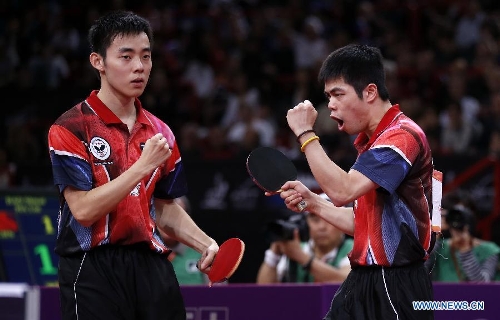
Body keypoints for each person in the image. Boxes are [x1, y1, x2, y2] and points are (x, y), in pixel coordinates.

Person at [47, 11, 218, 320]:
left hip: (150, 266)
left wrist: (203, 242)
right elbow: (83, 211)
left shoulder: (160, 131)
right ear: (97, 61)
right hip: (91, 267)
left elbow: (163, 207)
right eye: (126, 57)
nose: (139, 67)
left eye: (146, 57)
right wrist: (141, 167)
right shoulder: (70, 128)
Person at [275, 44, 436, 319]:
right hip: (362, 280)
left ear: (370, 92)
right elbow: (364, 224)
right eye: (328, 96)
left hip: (396, 285)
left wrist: (304, 133)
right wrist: (311, 202)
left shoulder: (401, 136)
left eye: (338, 94)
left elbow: (342, 191)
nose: (331, 105)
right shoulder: (371, 142)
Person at [256, 194, 353, 284]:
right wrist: (274, 253)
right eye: (315, 219)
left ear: (342, 224)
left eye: (329, 219)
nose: (322, 227)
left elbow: (346, 282)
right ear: (306, 224)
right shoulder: (296, 248)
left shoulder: (354, 248)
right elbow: (264, 291)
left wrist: (301, 257)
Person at [432, 204, 500, 282]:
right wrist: (434, 237)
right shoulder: (440, 246)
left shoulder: (489, 250)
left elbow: (482, 284)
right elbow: (422, 271)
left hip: (474, 294)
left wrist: (465, 250)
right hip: (441, 294)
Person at [161, 196, 208, 285]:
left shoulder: (204, 254)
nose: (168, 222)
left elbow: (219, 295)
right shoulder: (141, 255)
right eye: (162, 214)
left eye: (175, 216)